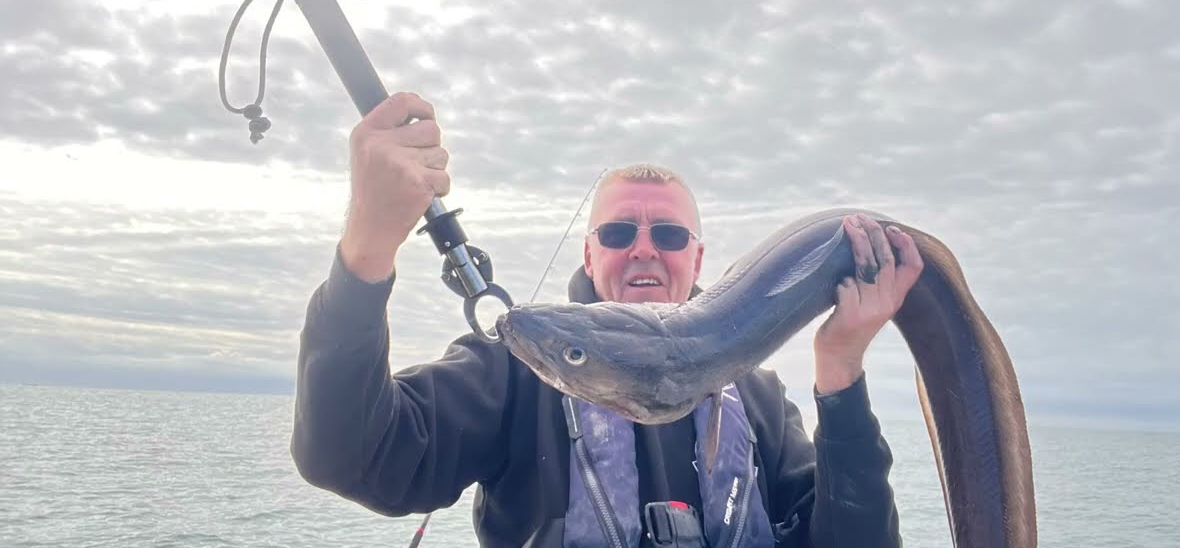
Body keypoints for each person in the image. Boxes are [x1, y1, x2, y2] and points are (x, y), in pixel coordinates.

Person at [290, 92, 923, 548]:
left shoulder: (756, 398)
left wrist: (840, 373)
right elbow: (350, 457)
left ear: (699, 259)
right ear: (590, 252)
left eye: (669, 233)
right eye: (620, 231)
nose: (644, 247)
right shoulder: (513, 369)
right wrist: (366, 252)